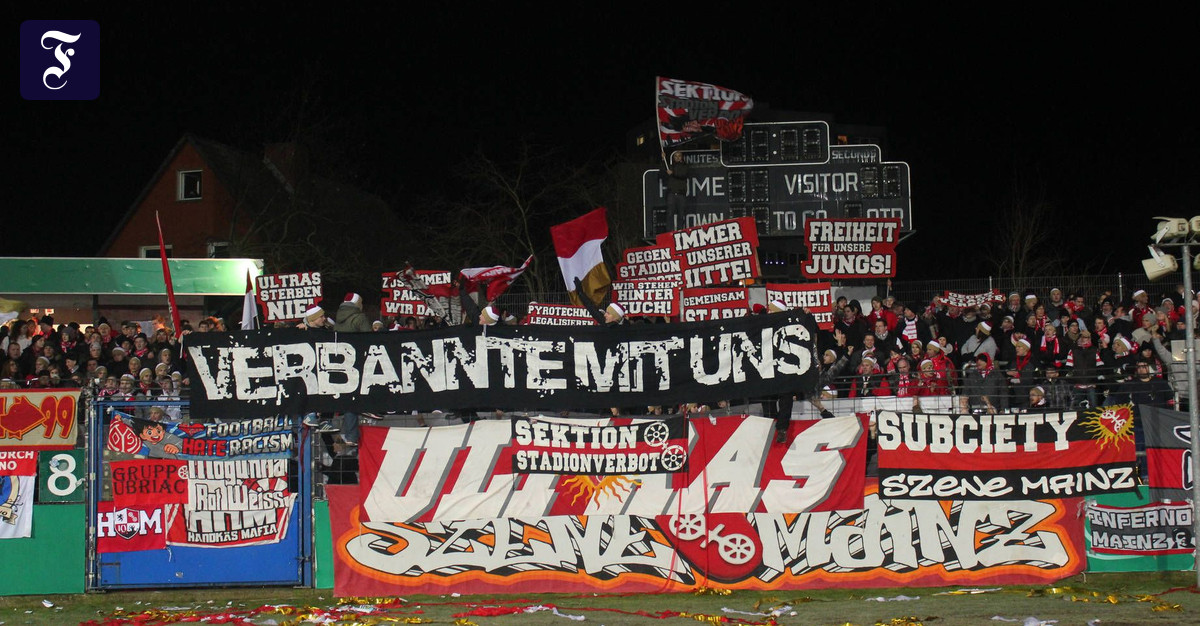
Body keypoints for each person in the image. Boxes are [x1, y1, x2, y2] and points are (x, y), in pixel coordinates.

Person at [664, 150, 689, 223]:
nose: (677, 158)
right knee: (669, 214)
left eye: (679, 156)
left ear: (682, 157)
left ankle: (680, 232)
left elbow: (682, 175)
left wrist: (672, 173)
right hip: (671, 194)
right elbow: (663, 170)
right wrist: (663, 159)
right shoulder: (670, 166)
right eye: (676, 156)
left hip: (681, 194)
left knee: (681, 215)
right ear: (673, 157)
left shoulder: (685, 166)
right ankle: (669, 232)